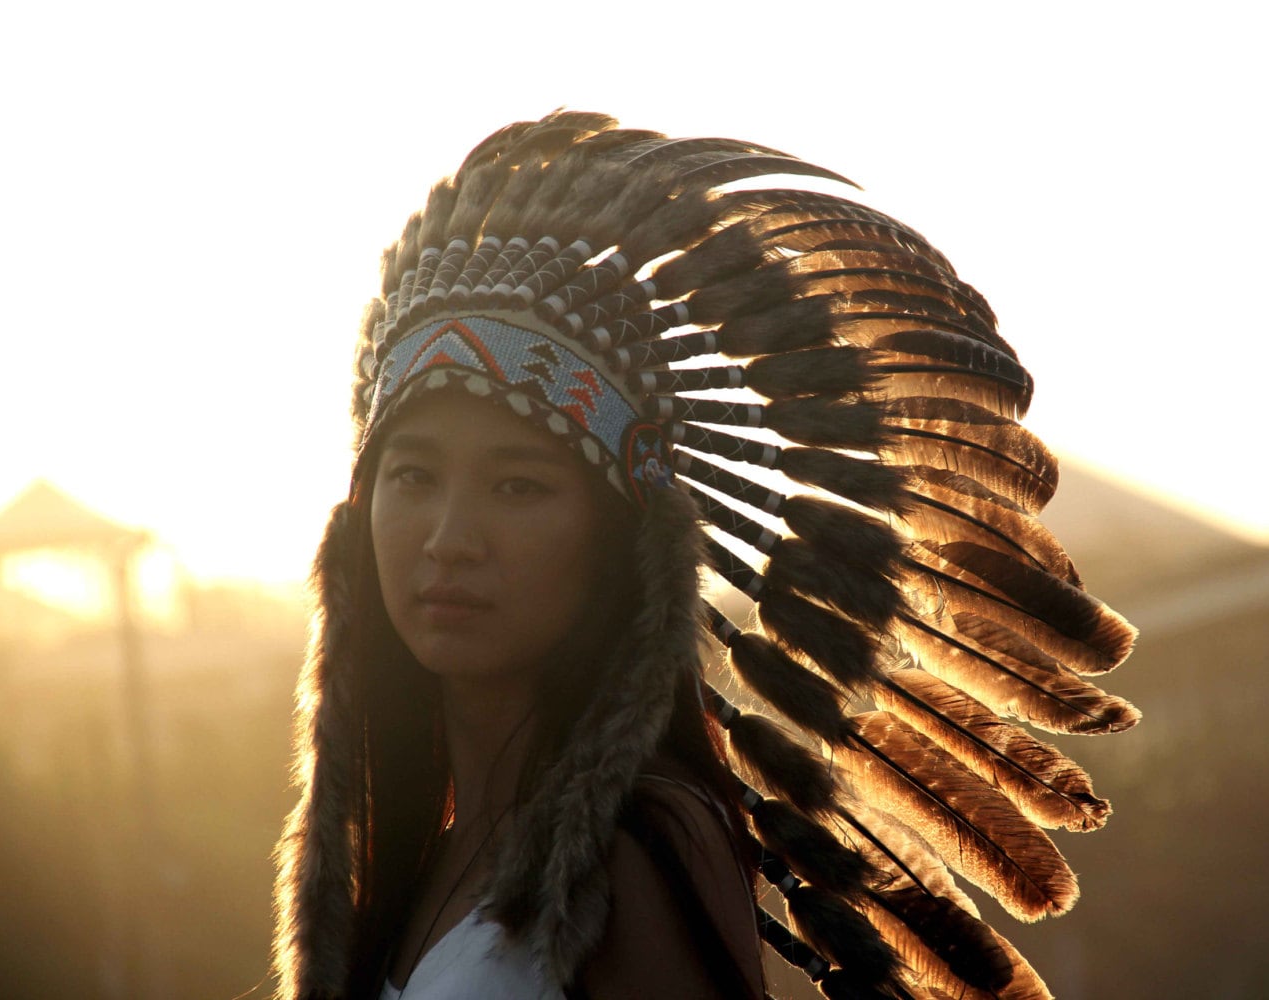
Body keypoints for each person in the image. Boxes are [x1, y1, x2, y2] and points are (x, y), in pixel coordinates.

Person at [273, 111, 1140, 1000]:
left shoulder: (641, 848)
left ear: (620, 544)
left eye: (518, 487)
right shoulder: (405, 855)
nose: (449, 540)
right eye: (412, 477)